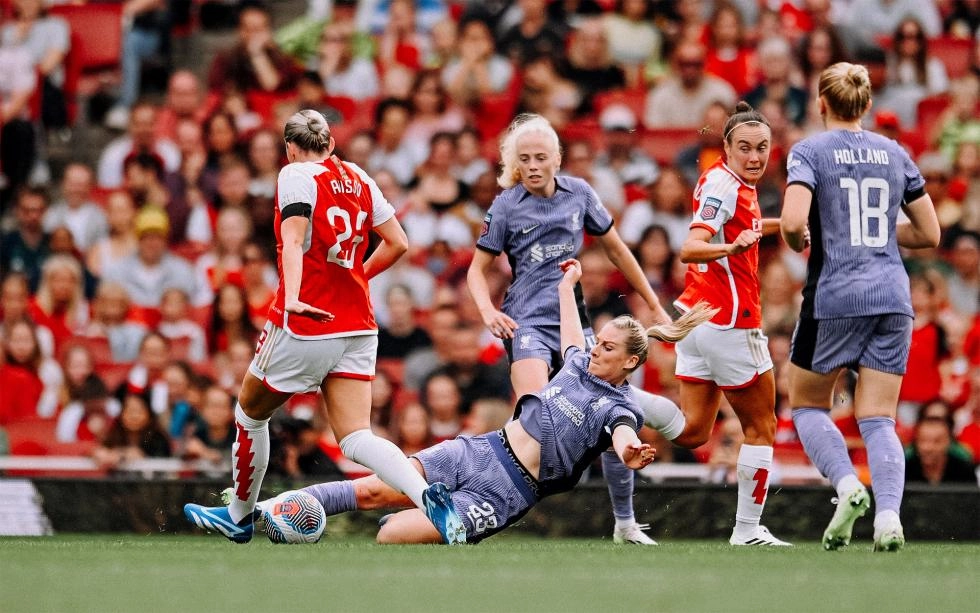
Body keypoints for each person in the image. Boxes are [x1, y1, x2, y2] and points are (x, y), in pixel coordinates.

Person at [183, 109, 466, 545]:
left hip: (306, 323)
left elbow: (293, 239)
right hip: (358, 325)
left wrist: (294, 295)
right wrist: (357, 279)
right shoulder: (358, 176)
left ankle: (238, 515)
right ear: (331, 144)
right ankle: (428, 498)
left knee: (249, 413)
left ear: (290, 148)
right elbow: (399, 243)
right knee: (356, 436)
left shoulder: (295, 174)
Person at [250, 259, 677, 544]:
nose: (596, 348)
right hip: (478, 449)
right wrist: (568, 285)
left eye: (608, 347)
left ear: (632, 361)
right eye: (599, 341)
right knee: (375, 489)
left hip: (508, 490)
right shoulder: (579, 361)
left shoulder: (621, 408)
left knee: (389, 534)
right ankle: (265, 510)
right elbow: (571, 327)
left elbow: (622, 436)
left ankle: (396, 521)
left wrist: (630, 450)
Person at [466, 113, 702, 545]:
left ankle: (625, 523)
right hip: (527, 322)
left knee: (611, 414)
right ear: (514, 163)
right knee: (538, 412)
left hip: (574, 325)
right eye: (524, 159)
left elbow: (617, 252)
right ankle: (487, 500)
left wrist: (653, 304)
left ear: (557, 158)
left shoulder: (580, 195)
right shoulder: (505, 205)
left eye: (541, 157)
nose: (534, 165)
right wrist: (486, 310)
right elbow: (476, 270)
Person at [780, 62, 941, 552]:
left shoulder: (809, 151)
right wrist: (875, 235)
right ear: (867, 105)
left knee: (806, 404)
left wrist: (796, 238)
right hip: (893, 296)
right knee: (878, 417)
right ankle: (889, 516)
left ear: (821, 102)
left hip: (835, 295)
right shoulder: (895, 152)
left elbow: (791, 222)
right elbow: (930, 234)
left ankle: (848, 486)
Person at [669, 101, 790, 546]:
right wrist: (732, 249)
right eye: (745, 148)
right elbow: (691, 246)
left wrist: (789, 225)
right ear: (727, 146)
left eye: (762, 148)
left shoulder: (730, 180)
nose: (755, 156)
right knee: (762, 427)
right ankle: (747, 530)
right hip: (730, 322)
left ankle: (620, 407)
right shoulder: (727, 186)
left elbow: (747, 226)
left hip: (697, 316)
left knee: (693, 430)